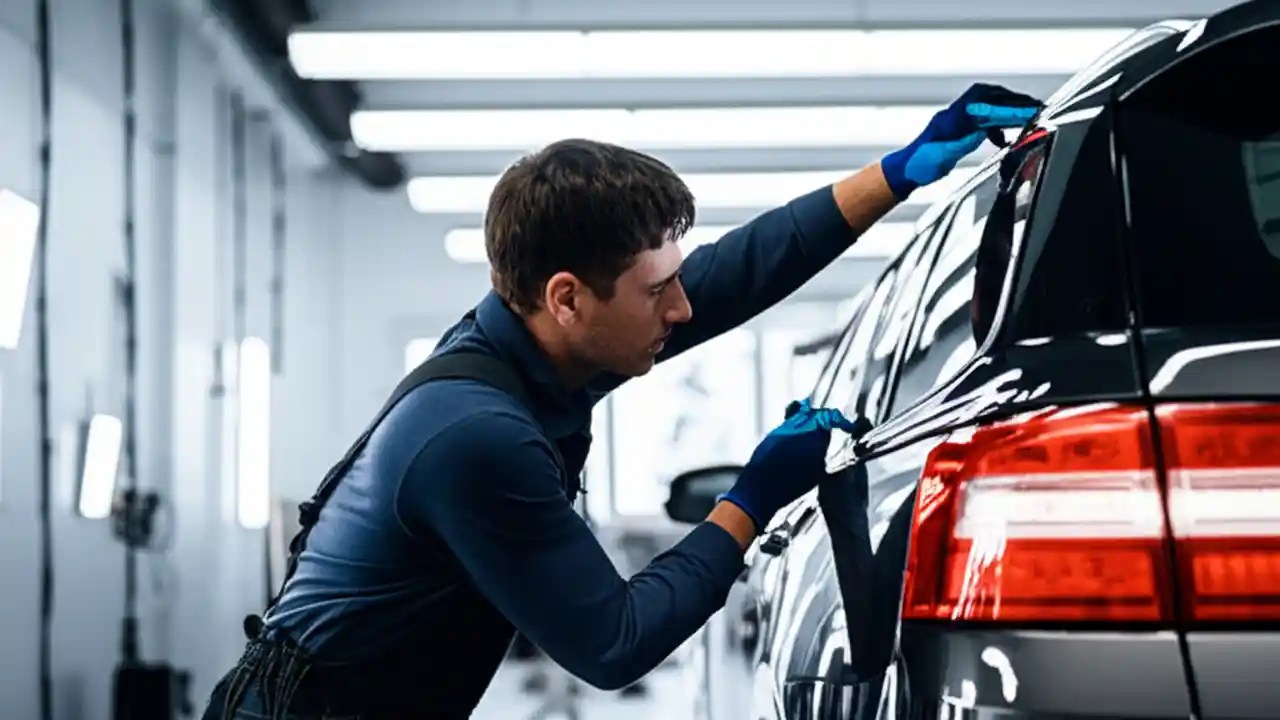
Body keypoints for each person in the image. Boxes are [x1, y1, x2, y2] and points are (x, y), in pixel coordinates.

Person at [204, 83, 1041, 719]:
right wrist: (748, 501)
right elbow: (614, 642)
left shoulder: (539, 341)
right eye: (658, 292)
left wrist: (898, 173)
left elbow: (731, 275)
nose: (680, 312)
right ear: (567, 297)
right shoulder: (476, 435)